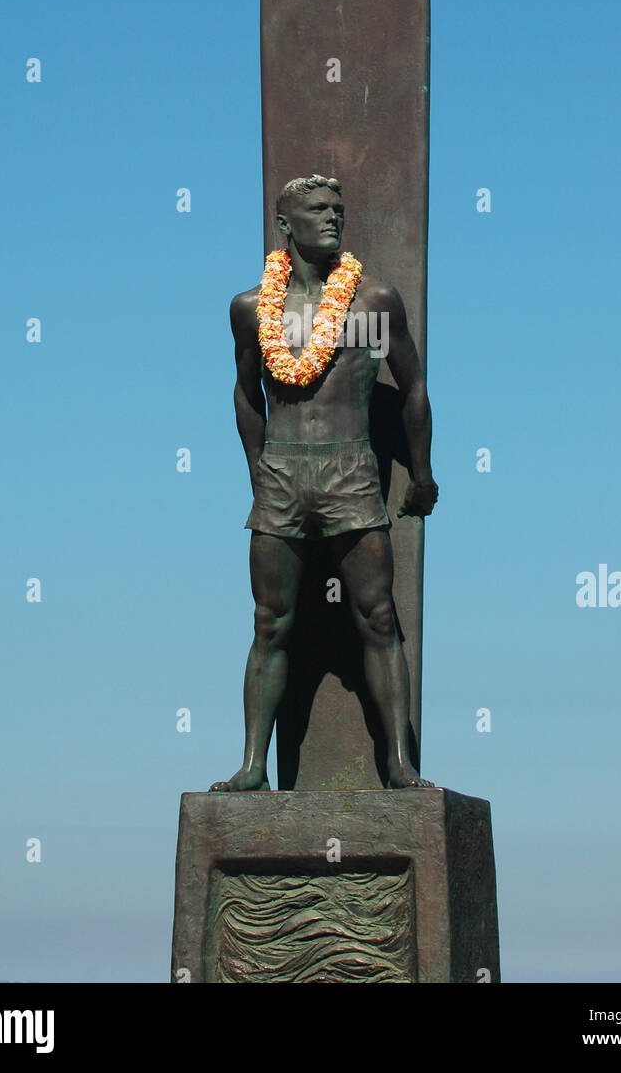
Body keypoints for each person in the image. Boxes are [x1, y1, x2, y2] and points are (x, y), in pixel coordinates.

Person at [210, 174, 438, 791]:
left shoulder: (373, 303)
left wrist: (422, 473)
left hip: (352, 473)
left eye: (339, 208)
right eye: (317, 210)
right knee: (270, 623)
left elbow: (412, 386)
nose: (332, 218)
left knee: (377, 617)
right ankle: (254, 766)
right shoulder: (251, 307)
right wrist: (259, 470)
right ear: (286, 224)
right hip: (283, 474)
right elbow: (246, 391)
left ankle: (397, 763)